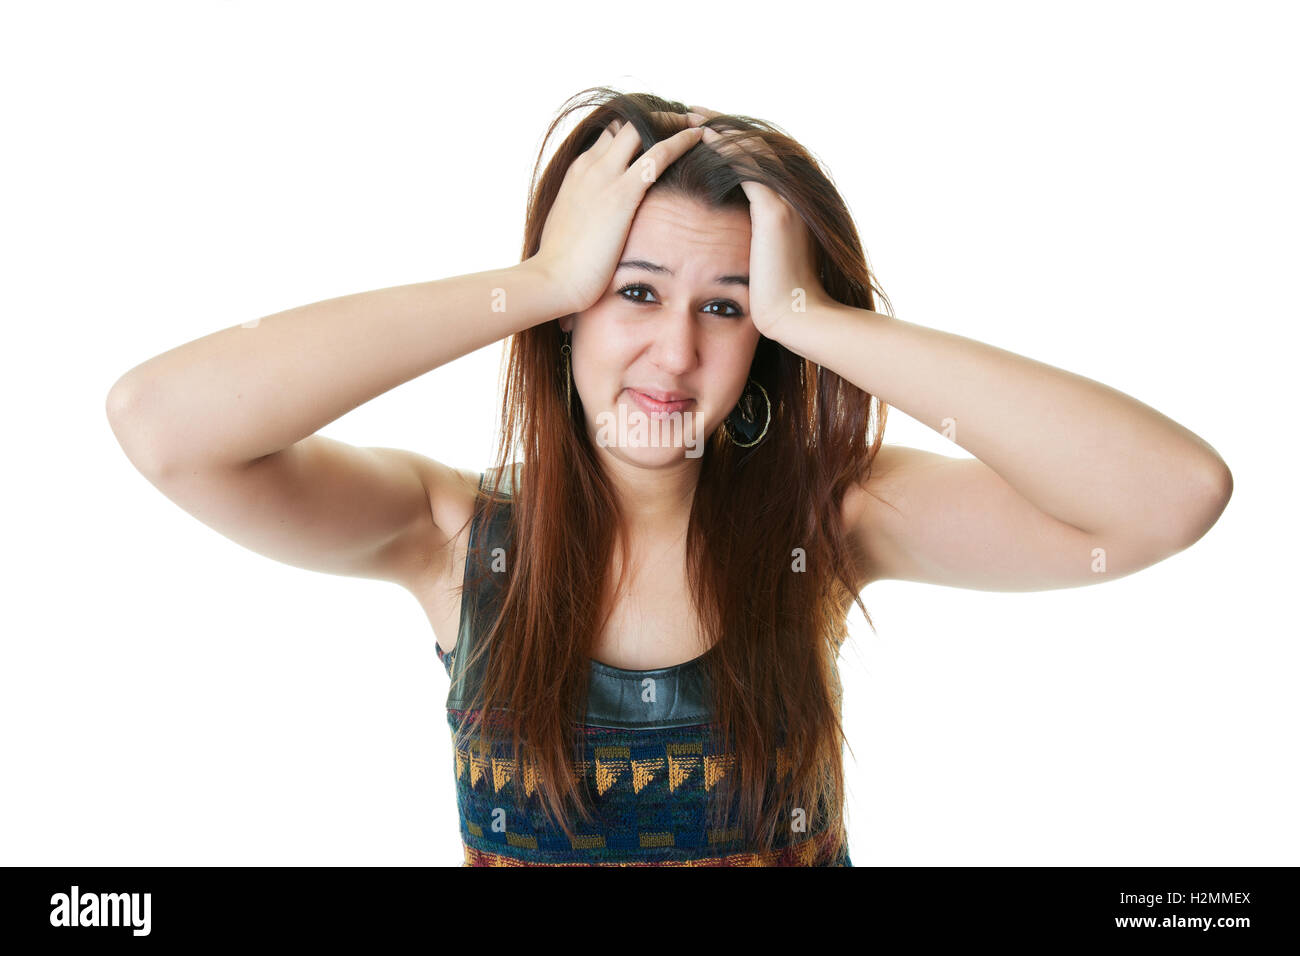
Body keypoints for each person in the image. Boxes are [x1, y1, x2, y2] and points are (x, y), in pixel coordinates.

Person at [105, 87, 1233, 867]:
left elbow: (1165, 496)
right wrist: (535, 275)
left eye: (726, 308)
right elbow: (163, 423)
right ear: (564, 317)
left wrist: (813, 317)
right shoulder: (446, 533)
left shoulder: (830, 524)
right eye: (633, 292)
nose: (676, 353)